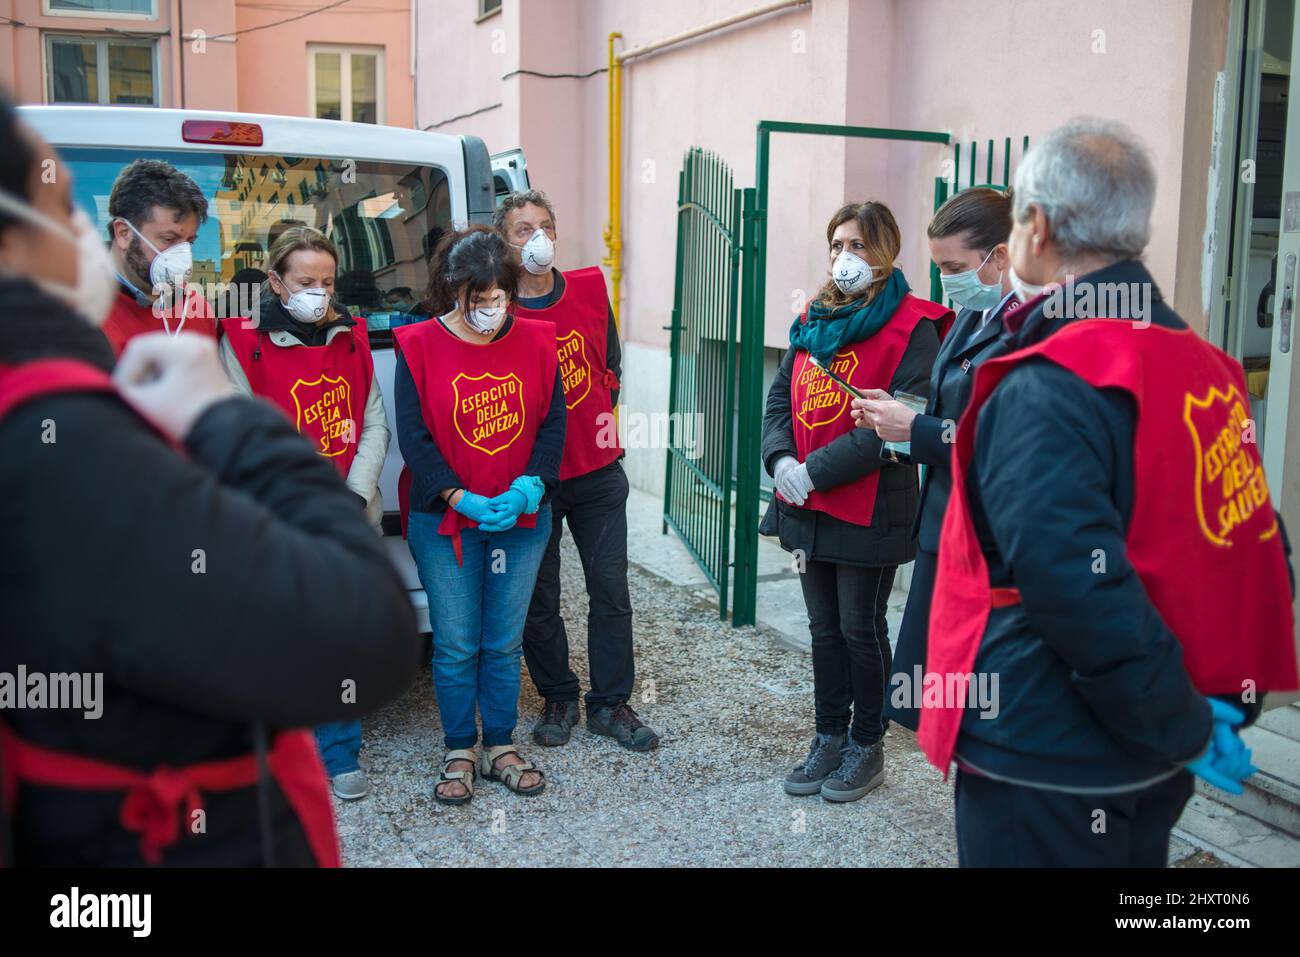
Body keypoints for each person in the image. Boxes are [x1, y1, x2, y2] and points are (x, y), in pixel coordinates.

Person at [0, 93, 420, 866]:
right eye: (66, 209)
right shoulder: (58, 400)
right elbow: (365, 630)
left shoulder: (190, 309)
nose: (83, 236)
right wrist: (232, 428)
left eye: (191, 240)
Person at [918, 118, 1299, 866]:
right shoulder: (1205, 364)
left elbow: (1075, 587)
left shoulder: (1049, 379)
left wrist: (1181, 722)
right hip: (1151, 745)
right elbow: (1255, 532)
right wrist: (1193, 711)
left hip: (1049, 750)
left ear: (1037, 226)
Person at [760, 201, 949, 802]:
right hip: (807, 503)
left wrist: (810, 472)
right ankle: (828, 736)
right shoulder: (814, 319)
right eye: (839, 244)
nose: (847, 257)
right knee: (822, 629)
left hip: (871, 504)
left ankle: (867, 745)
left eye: (861, 246)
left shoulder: (915, 327)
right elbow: (777, 405)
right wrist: (781, 462)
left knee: (858, 628)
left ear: (887, 252)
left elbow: (898, 424)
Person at [394, 225, 565, 805]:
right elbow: (414, 439)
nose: (489, 311)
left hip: (520, 519)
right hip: (445, 524)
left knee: (503, 641)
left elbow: (554, 424)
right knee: (457, 642)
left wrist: (531, 486)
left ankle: (500, 744)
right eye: (477, 300)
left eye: (498, 299)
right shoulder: (416, 343)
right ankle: (459, 747)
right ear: (453, 289)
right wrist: (455, 496)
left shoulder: (541, 341)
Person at [219, 225, 391, 801]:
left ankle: (340, 755)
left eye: (328, 281)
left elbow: (373, 424)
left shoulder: (353, 336)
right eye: (306, 281)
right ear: (275, 281)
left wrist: (349, 498)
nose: (320, 293)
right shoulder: (242, 343)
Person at [850, 187, 1018, 732]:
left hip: (986, 540)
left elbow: (1007, 443)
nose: (947, 279)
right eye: (939, 265)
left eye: (955, 266)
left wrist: (916, 430)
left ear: (1001, 254)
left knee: (981, 704)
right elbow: (953, 407)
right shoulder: (973, 313)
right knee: (938, 697)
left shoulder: (1032, 330)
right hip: (943, 527)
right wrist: (895, 420)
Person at [499, 189, 659, 752]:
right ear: (504, 239)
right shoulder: (498, 307)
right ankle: (559, 697)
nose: (536, 238)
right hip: (533, 480)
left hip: (597, 472)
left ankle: (611, 704)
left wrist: (600, 419)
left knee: (609, 588)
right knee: (539, 595)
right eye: (522, 229)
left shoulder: (590, 287)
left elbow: (609, 363)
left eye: (544, 225)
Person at [103, 158, 217, 355]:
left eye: (189, 242)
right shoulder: (77, 311)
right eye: (169, 238)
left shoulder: (197, 309)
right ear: (124, 233)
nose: (182, 256)